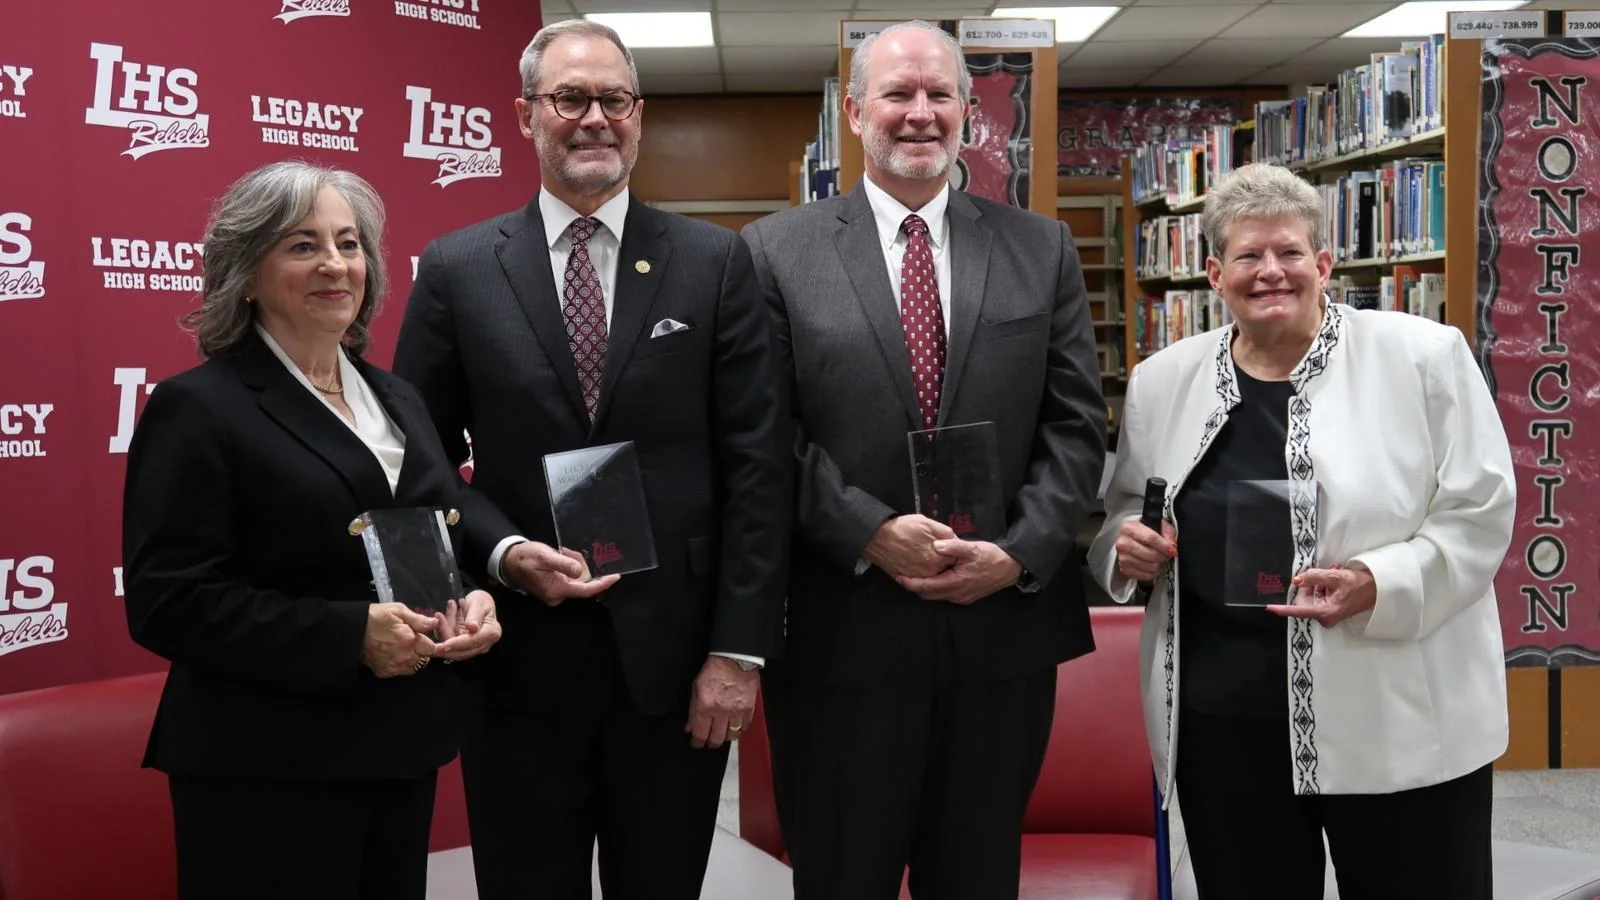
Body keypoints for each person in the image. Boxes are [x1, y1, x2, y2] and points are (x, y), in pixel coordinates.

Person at [391, 18, 791, 900]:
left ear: (639, 116)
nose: (594, 118)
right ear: (527, 115)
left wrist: (738, 652)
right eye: (570, 98)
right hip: (515, 663)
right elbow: (415, 456)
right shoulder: (457, 270)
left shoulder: (715, 263)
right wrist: (501, 551)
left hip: (676, 664)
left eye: (613, 99)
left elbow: (758, 467)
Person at [741, 20, 1107, 900]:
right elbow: (761, 434)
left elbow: (1076, 426)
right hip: (843, 636)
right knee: (841, 877)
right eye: (898, 95)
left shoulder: (1041, 247)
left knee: (978, 877)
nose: (919, 114)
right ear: (858, 113)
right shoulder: (773, 252)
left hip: (999, 638)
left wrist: (1019, 553)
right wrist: (870, 531)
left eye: (939, 94)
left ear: (969, 114)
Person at [1089, 161, 1515, 899]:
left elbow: (1480, 511)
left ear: (1323, 263)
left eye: (1289, 253)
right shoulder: (1163, 381)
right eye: (1248, 257)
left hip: (1396, 712)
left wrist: (1380, 583)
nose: (1270, 272)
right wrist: (1130, 545)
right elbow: (1127, 509)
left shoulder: (1425, 358)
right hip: (1224, 724)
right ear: (1216, 274)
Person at [121, 160, 502, 900]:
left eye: (349, 243)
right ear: (247, 272)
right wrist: (348, 634)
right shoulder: (198, 408)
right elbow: (168, 600)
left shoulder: (396, 398)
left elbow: (427, 536)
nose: (335, 264)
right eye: (302, 245)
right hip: (264, 766)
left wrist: (474, 600)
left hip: (397, 747)